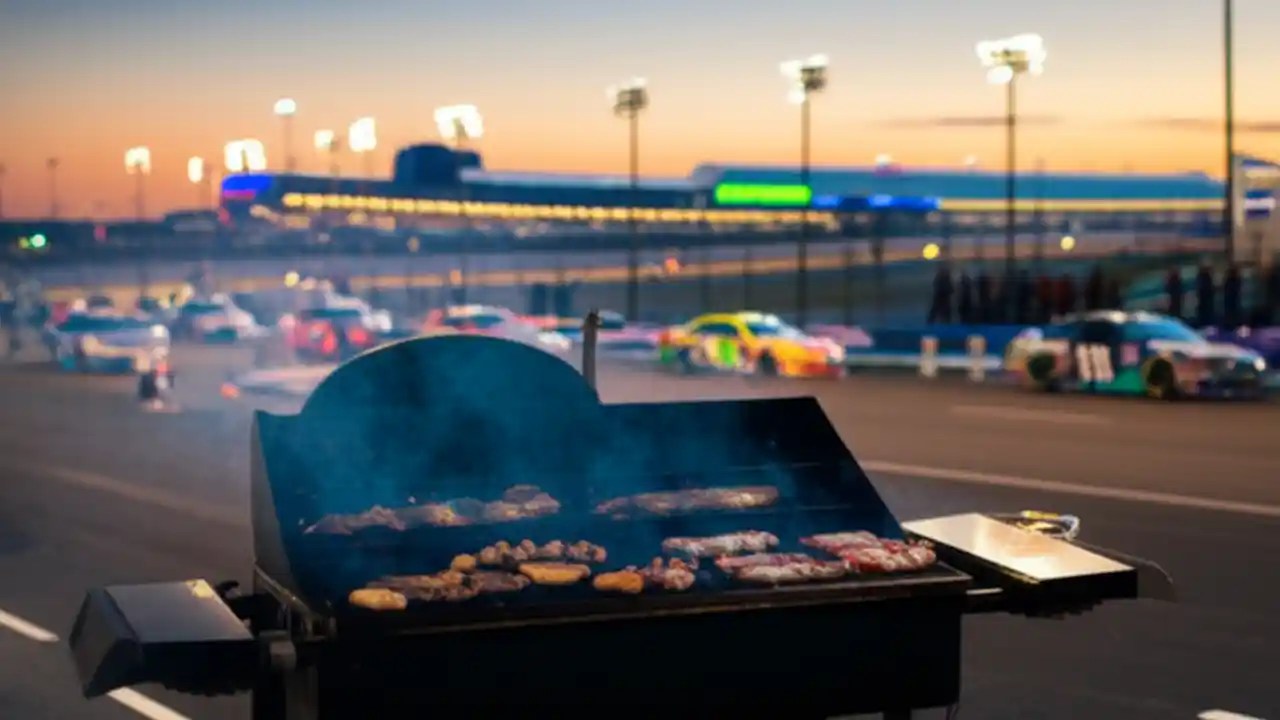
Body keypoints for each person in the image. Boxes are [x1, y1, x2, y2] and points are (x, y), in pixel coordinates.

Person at [1195, 263, 1216, 328]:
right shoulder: (1206, 278)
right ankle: (1205, 324)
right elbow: (1208, 288)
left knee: (1204, 312)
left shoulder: (1201, 277)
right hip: (1205, 299)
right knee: (1206, 312)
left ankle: (1203, 324)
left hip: (1203, 299)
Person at [1222, 264, 1242, 329]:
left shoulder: (1229, 281)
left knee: (1230, 313)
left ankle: (1229, 325)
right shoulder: (1236, 280)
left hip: (1229, 300)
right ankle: (1232, 324)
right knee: (1232, 312)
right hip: (1233, 300)